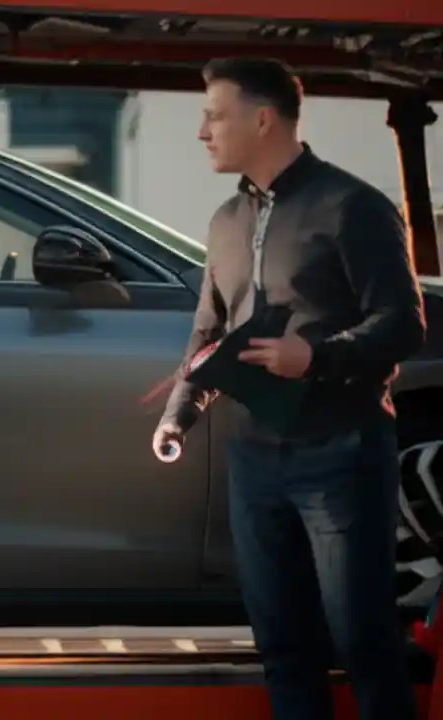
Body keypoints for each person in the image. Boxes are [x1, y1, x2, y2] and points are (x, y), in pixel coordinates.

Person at [152, 57, 427, 719]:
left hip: (342, 451)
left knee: (363, 641)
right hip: (254, 457)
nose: (202, 132)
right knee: (282, 647)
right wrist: (180, 413)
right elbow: (208, 329)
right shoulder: (223, 221)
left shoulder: (353, 207)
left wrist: (319, 356)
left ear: (263, 118)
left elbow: (404, 324)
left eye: (214, 115)